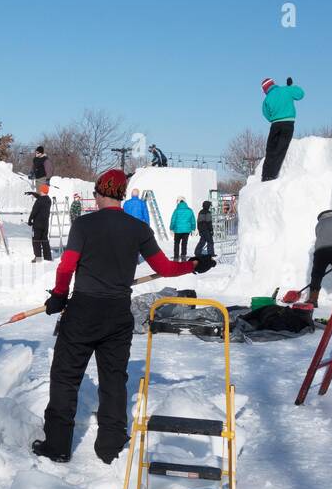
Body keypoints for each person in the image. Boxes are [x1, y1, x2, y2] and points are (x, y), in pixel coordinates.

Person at [33, 169, 214, 465]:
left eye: (95, 192)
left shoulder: (84, 224)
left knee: (65, 377)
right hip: (117, 313)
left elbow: (66, 267)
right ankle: (111, 446)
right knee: (114, 380)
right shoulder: (138, 228)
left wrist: (58, 295)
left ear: (101, 192)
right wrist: (194, 264)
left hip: (83, 311)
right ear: (120, 194)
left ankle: (57, 445)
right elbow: (166, 268)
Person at [260, 76, 304, 181]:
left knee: (270, 149)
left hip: (275, 125)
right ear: (273, 84)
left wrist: (274, 119)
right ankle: (273, 174)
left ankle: (265, 175)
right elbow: (300, 94)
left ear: (265, 90)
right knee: (281, 148)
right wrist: (291, 86)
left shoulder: (267, 99)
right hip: (288, 123)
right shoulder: (286, 90)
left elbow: (266, 114)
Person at [27, 184, 53, 262]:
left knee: (36, 241)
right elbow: (42, 198)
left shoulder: (39, 201)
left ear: (41, 191)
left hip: (37, 224)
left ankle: (38, 258)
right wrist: (33, 193)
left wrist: (30, 220)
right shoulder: (48, 200)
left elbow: (34, 211)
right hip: (45, 224)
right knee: (44, 240)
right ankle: (47, 257)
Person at [169, 196, 195, 260]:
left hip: (177, 230)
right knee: (184, 243)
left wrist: (171, 228)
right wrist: (193, 229)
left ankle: (176, 256)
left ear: (178, 203)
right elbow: (193, 221)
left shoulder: (176, 210)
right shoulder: (190, 210)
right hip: (186, 230)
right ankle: (183, 255)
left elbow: (173, 220)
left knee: (176, 243)